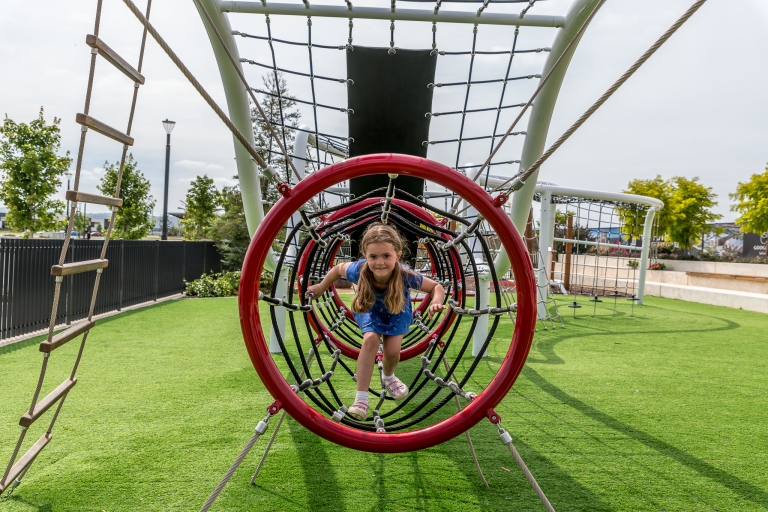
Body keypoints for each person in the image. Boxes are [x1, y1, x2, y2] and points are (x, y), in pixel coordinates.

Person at [305, 224, 446, 421]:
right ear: (365, 255)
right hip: (368, 308)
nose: (379, 262)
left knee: (391, 352)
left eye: (386, 256)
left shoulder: (405, 275)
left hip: (397, 311)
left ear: (398, 255)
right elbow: (337, 269)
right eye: (373, 257)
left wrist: (436, 303)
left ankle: (388, 377)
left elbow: (436, 287)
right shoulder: (358, 270)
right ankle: (361, 399)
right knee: (370, 339)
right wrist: (321, 287)